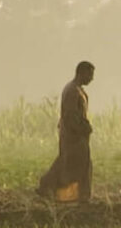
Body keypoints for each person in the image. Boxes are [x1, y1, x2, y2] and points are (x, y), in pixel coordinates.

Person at [38, 61, 96, 203]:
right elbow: (70, 116)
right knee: (73, 164)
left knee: (70, 163)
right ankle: (51, 187)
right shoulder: (72, 91)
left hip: (75, 135)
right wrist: (82, 129)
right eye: (90, 74)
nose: (92, 78)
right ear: (81, 72)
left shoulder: (76, 89)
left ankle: (72, 194)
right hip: (73, 136)